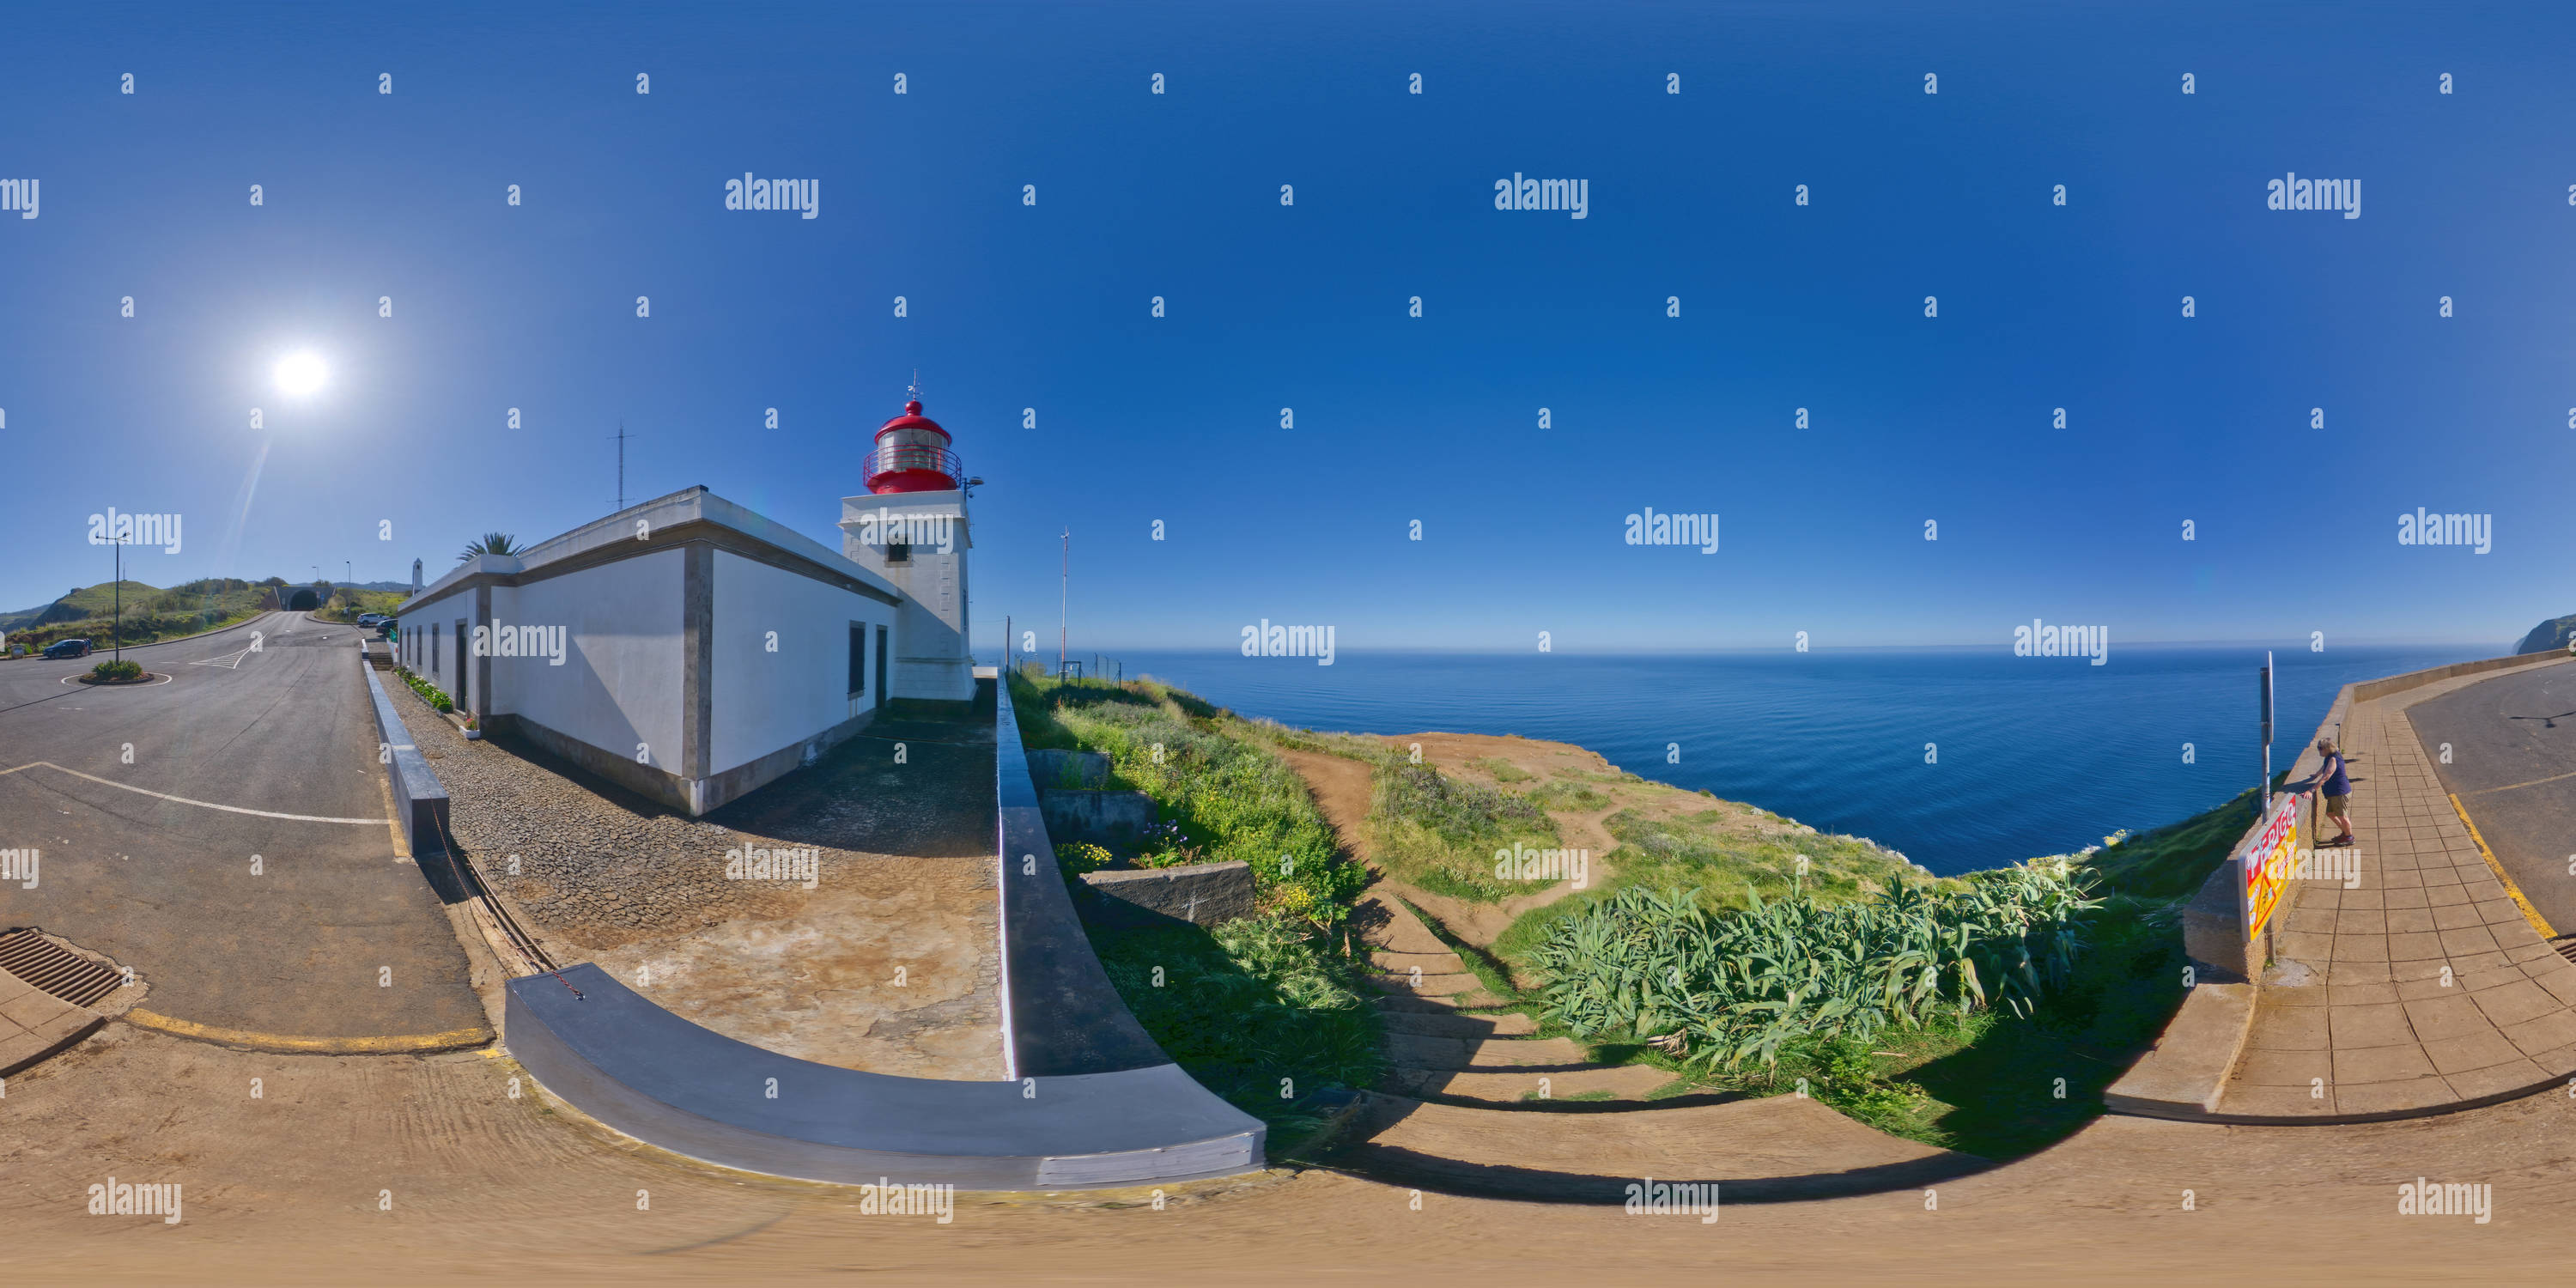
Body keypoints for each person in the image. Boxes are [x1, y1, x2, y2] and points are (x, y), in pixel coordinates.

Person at [2310, 738, 2355, 848]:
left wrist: (2311, 790)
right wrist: (2316, 774)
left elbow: (2326, 776)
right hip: (2334, 793)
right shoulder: (2330, 756)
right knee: (2330, 814)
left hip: (2339, 793)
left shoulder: (2333, 759)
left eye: (2320, 748)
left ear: (2327, 749)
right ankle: (2345, 833)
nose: (2319, 750)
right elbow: (2324, 767)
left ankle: (2349, 837)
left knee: (2343, 816)